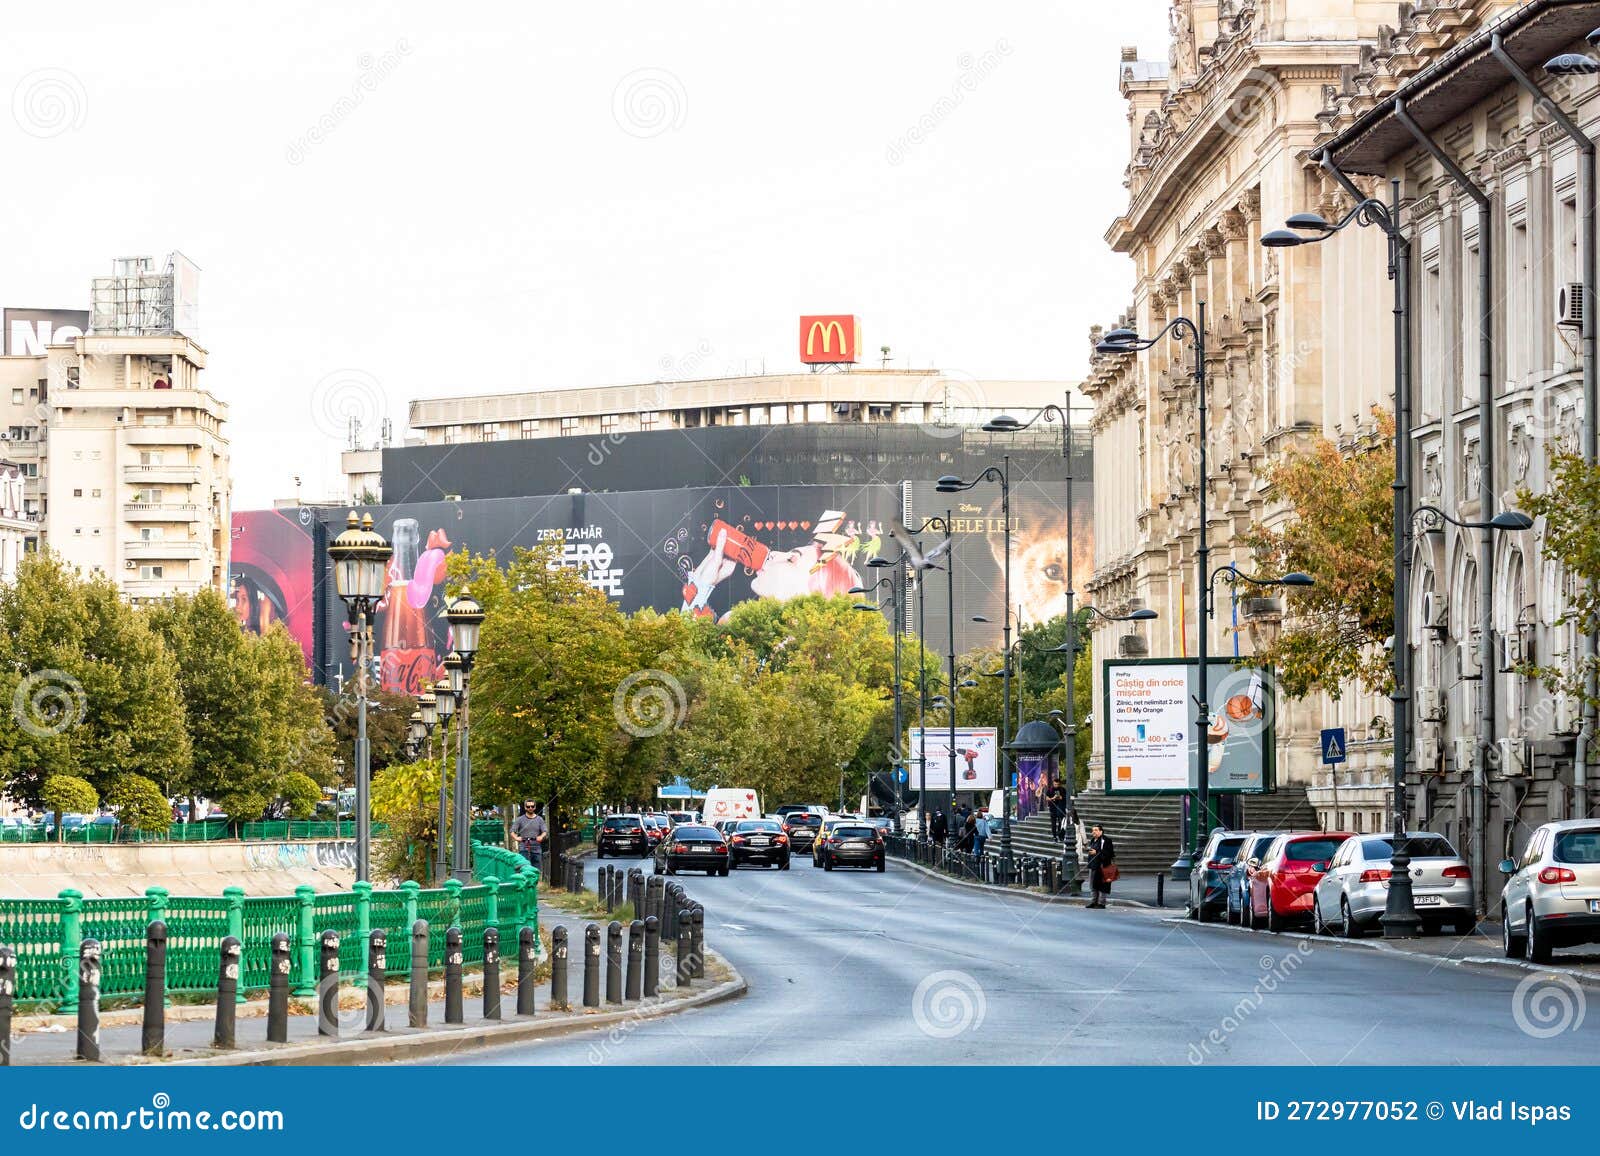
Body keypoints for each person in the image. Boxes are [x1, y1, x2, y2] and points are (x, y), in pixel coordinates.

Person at [511, 800, 547, 871]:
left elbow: (545, 831)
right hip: (524, 846)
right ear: (525, 807)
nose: (530, 808)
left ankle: (536, 881)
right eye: (528, 806)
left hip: (536, 846)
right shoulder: (520, 819)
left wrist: (541, 836)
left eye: (532, 806)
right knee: (524, 867)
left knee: (536, 869)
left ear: (535, 807)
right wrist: (516, 838)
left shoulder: (539, 819)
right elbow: (512, 831)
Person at [1085, 823, 1115, 908]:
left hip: (1103, 866)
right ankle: (1094, 901)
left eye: (1096, 830)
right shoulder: (1093, 840)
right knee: (1092, 885)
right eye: (1092, 830)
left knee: (1103, 885)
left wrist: (1096, 852)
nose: (1093, 832)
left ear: (1101, 831)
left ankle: (1102, 903)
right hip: (1093, 866)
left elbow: (1109, 853)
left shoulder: (1106, 840)